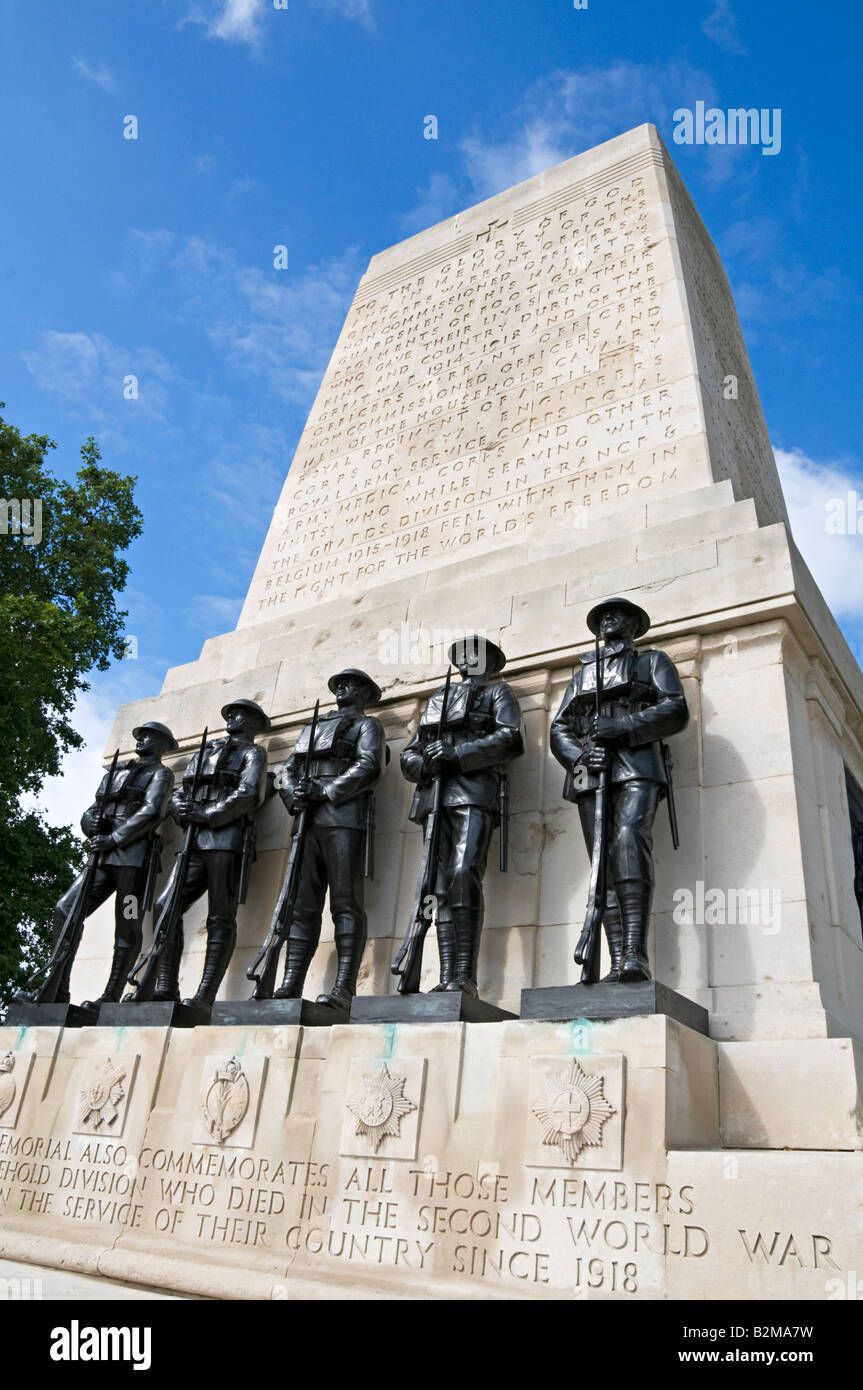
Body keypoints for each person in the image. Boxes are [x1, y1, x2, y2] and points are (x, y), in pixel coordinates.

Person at [550, 598, 689, 983]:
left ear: (633, 624)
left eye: (618, 614)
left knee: (628, 840)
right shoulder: (581, 675)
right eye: (603, 616)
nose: (609, 619)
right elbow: (559, 727)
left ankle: (634, 954)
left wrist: (625, 726)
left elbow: (675, 708)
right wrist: (581, 755)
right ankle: (616, 962)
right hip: (591, 774)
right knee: (602, 863)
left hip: (637, 765)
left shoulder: (652, 661)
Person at [24, 722, 177, 1010]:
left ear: (162, 745)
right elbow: (92, 809)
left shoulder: (161, 774)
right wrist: (89, 824)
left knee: (128, 922)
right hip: (101, 858)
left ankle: (111, 995)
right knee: (65, 909)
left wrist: (115, 838)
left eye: (149, 737)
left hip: (133, 863)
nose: (142, 739)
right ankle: (58, 988)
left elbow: (152, 811)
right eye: (140, 735)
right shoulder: (116, 773)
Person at [400, 637, 523, 996]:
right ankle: (448, 976)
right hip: (434, 797)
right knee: (438, 887)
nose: (468, 659)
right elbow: (410, 753)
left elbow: (511, 738)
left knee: (463, 872)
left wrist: (458, 752)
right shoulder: (437, 699)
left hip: (473, 792)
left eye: (476, 653)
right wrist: (424, 762)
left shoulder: (497, 693)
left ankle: (465, 975)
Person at [273, 669, 385, 1010]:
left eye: (351, 684)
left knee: (345, 903)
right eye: (339, 684)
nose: (343, 688)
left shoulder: (368, 726)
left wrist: (326, 789)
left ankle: (344, 988)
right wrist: (294, 794)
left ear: (365, 693)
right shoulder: (311, 728)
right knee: (301, 906)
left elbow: (369, 765)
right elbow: (284, 770)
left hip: (343, 819)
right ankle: (290, 982)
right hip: (306, 820)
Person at [149, 699, 269, 1014]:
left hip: (227, 840)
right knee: (164, 906)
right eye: (230, 713)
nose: (233, 717)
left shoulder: (253, 753)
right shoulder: (206, 752)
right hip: (192, 841)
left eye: (240, 714)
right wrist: (181, 810)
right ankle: (166, 985)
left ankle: (205, 993)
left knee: (220, 916)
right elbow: (179, 791)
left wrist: (207, 813)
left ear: (254, 723)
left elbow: (249, 793)